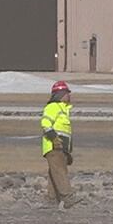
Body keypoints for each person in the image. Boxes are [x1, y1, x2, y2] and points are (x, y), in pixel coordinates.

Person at [40, 80, 78, 209]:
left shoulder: (63, 110)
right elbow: (45, 123)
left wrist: (68, 151)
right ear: (61, 94)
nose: (69, 96)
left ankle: (51, 199)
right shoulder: (53, 107)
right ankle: (67, 197)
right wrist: (54, 139)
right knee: (60, 172)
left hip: (61, 148)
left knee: (54, 172)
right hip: (53, 146)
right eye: (67, 93)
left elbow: (66, 133)